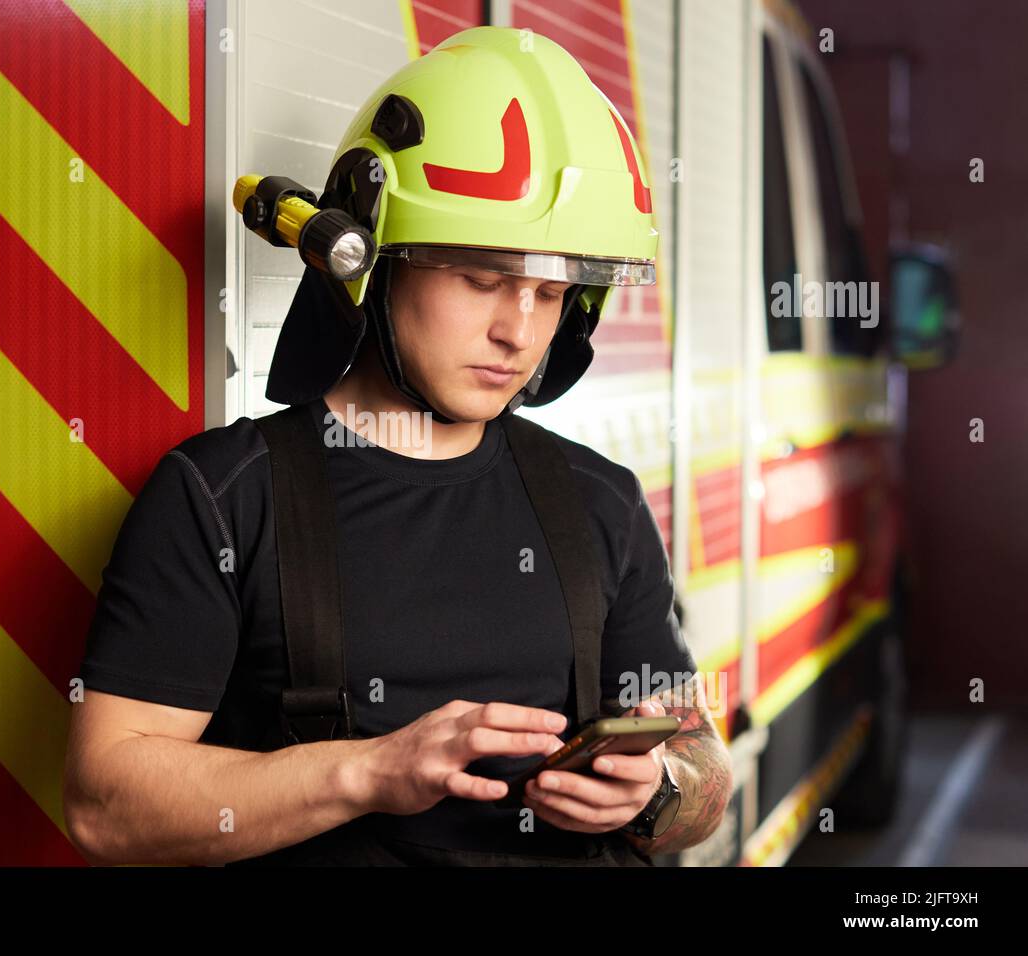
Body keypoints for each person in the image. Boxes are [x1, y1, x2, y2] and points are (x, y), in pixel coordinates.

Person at [63, 25, 732, 867]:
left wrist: (660, 789)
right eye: (482, 279)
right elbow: (103, 804)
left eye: (552, 291)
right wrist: (368, 773)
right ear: (373, 263)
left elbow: (705, 770)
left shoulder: (601, 500)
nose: (516, 332)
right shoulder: (224, 499)